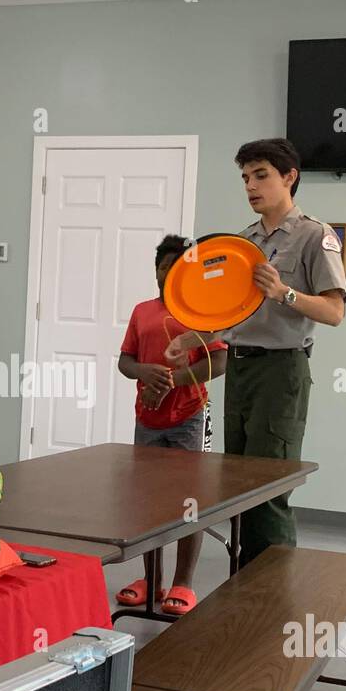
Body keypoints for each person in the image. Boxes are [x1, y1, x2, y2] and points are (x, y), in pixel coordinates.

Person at [165, 138, 346, 565]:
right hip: (241, 368)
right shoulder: (242, 243)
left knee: (269, 486)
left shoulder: (315, 236)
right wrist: (190, 338)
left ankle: (271, 592)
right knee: (240, 483)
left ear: (289, 177)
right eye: (245, 177)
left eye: (261, 175)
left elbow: (335, 312)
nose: (250, 185)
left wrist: (284, 293)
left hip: (281, 371)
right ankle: (244, 582)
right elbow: (230, 313)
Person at [115, 235, 228, 616]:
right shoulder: (142, 311)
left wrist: (169, 383)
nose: (167, 273)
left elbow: (220, 363)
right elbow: (125, 361)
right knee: (149, 503)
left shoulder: (203, 313)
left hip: (189, 418)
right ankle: (152, 580)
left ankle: (183, 583)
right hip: (147, 419)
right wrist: (144, 373)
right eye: (162, 266)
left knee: (187, 502)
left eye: (176, 266)